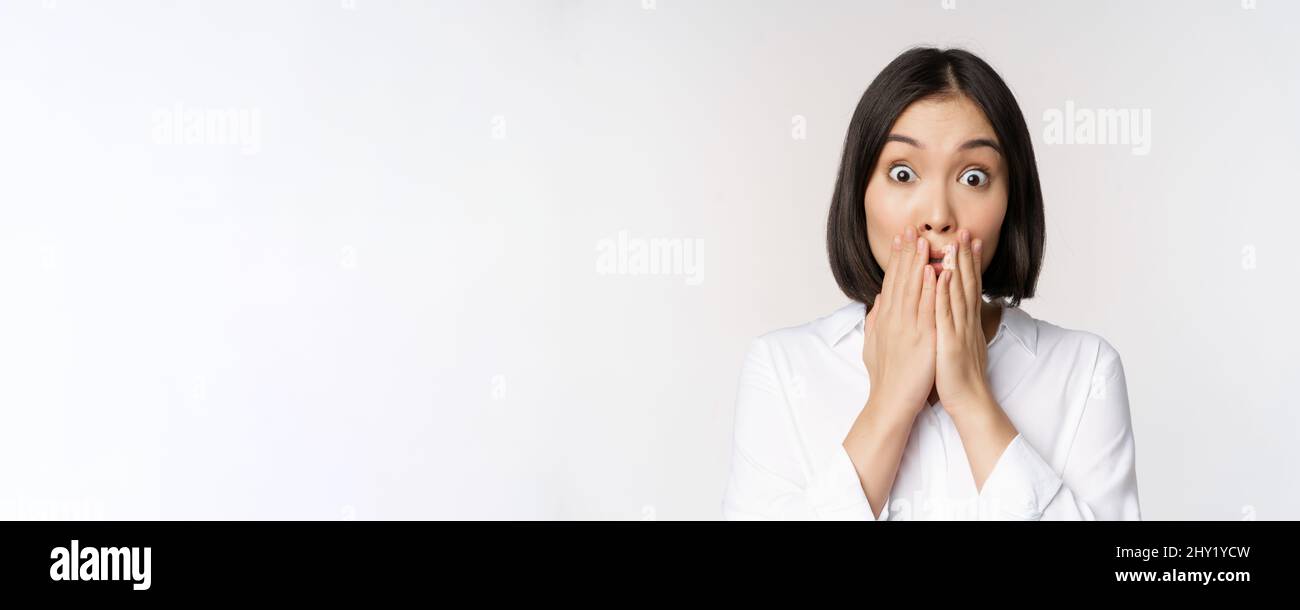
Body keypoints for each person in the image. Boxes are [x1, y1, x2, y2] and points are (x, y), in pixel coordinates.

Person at [722, 47, 1141, 520]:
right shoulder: (781, 367)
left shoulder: (1085, 371)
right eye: (903, 174)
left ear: (1011, 202)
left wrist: (971, 398)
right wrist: (890, 402)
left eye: (974, 176)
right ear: (859, 193)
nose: (938, 216)